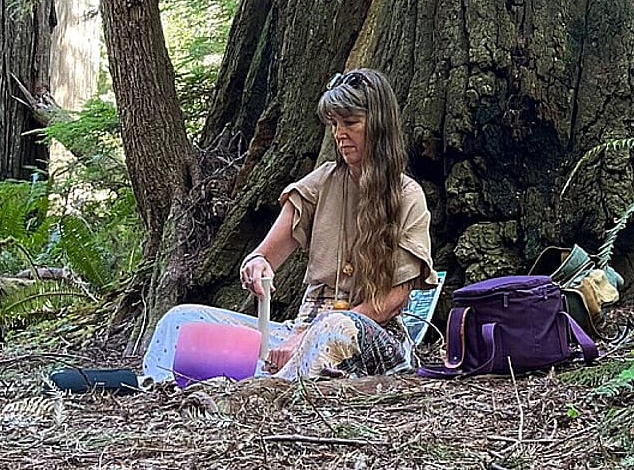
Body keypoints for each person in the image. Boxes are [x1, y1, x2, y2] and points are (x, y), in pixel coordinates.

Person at [141, 68, 438, 382]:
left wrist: (309, 337)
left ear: (379, 125)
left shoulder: (407, 196)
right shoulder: (321, 182)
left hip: (370, 340)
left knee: (332, 329)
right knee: (182, 318)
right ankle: (160, 389)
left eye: (350, 123)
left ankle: (267, 392)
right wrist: (256, 266)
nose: (339, 134)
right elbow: (264, 255)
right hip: (300, 334)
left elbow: (391, 302)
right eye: (334, 124)